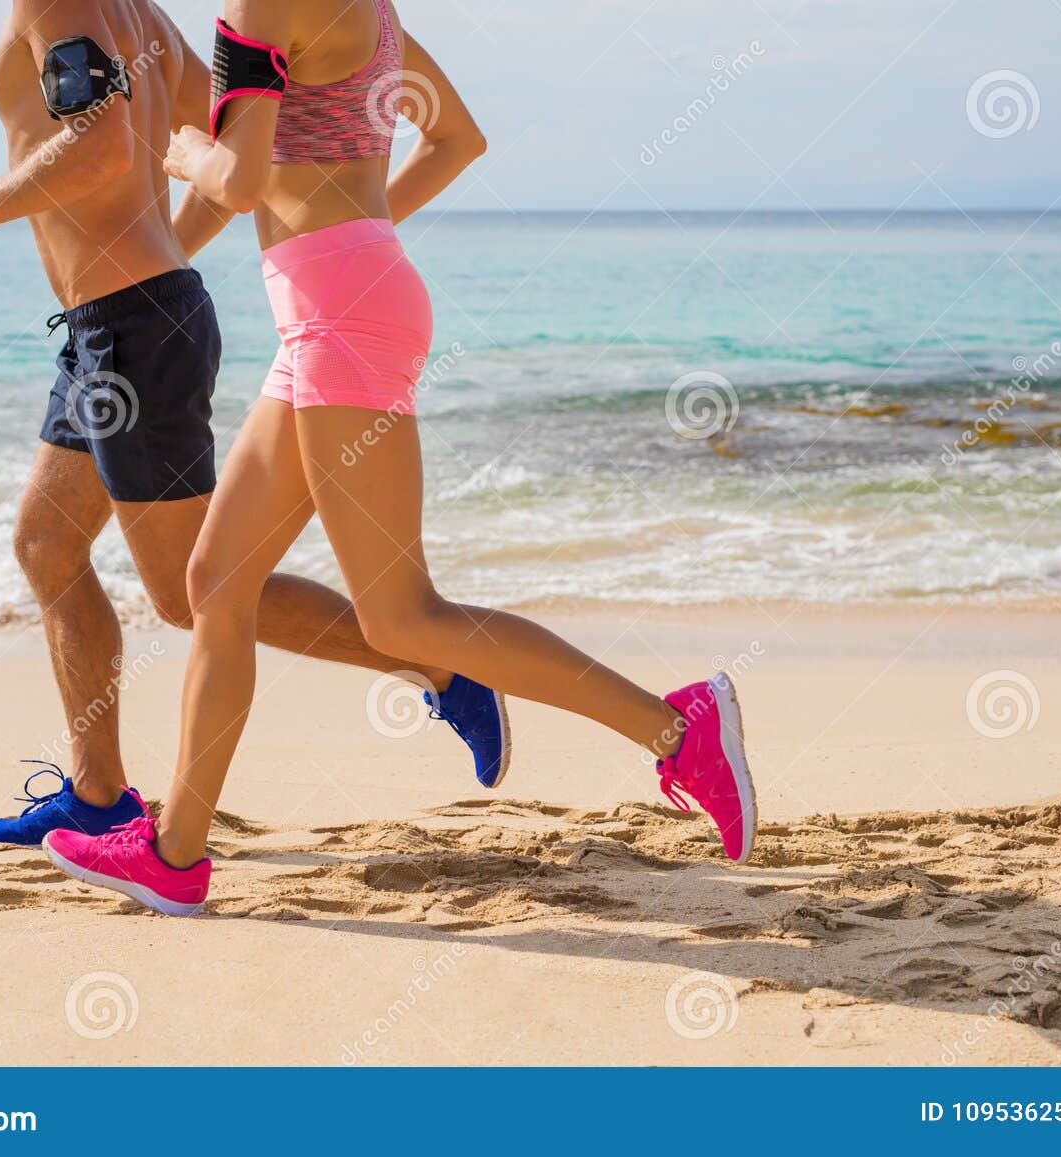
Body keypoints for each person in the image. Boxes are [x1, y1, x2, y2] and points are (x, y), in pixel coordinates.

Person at [42, 0, 757, 917]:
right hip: (337, 304)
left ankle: (678, 727)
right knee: (217, 580)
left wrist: (183, 154)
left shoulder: (259, 5)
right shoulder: (368, 12)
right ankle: (176, 852)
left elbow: (243, 179)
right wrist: (358, 237)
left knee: (402, 616)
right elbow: (458, 140)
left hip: (340, 317)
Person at [0, 0, 507, 849]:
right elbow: (211, 144)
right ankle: (99, 792)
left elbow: (100, 145)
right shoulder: (142, 18)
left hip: (129, 332)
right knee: (46, 542)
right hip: (115, 325)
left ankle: (438, 663)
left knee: (193, 594)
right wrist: (160, 265)